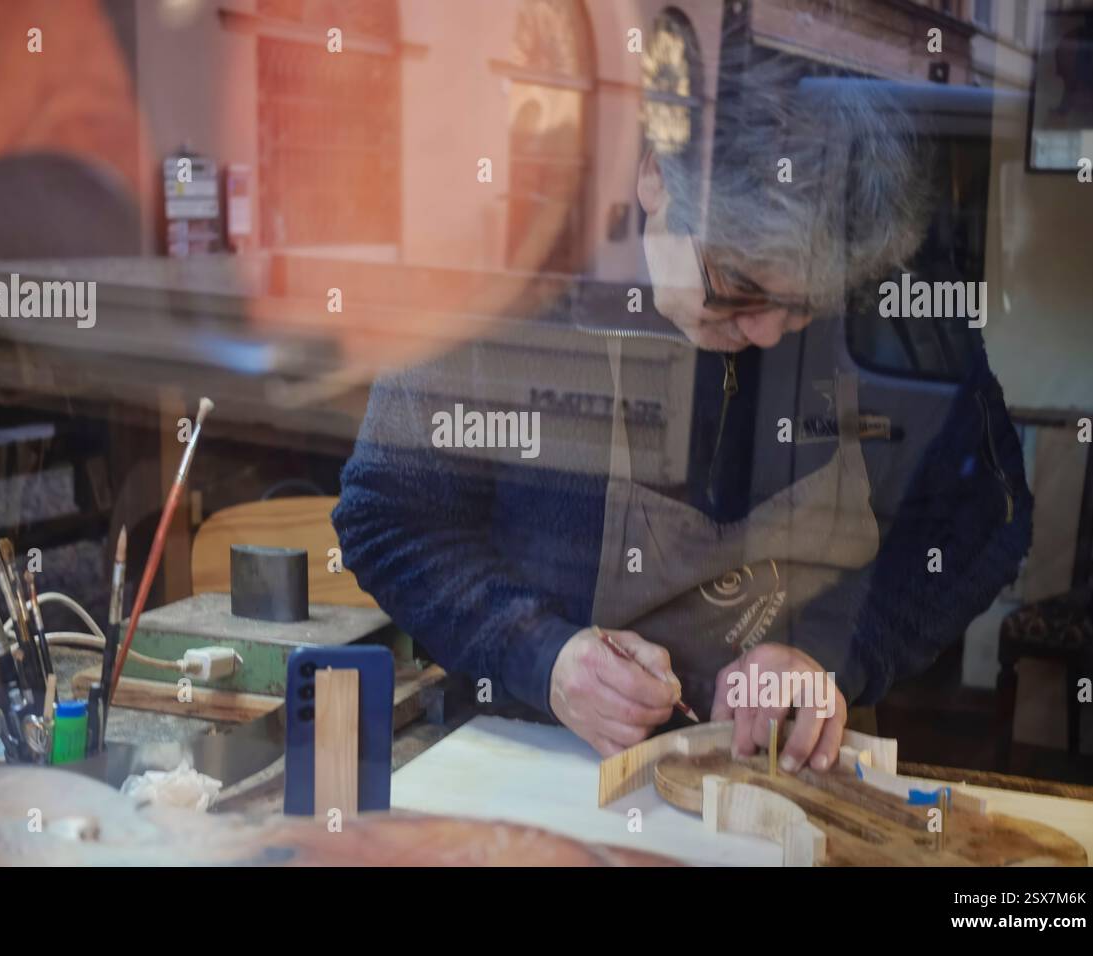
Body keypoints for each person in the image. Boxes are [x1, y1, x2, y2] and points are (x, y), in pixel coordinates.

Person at [333, 53, 1032, 768]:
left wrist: (835, 657)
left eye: (807, 309)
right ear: (654, 176)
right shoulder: (505, 263)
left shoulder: (892, 281)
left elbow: (983, 519)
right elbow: (389, 517)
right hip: (547, 764)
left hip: (794, 772)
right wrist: (541, 654)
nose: (763, 333)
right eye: (738, 285)